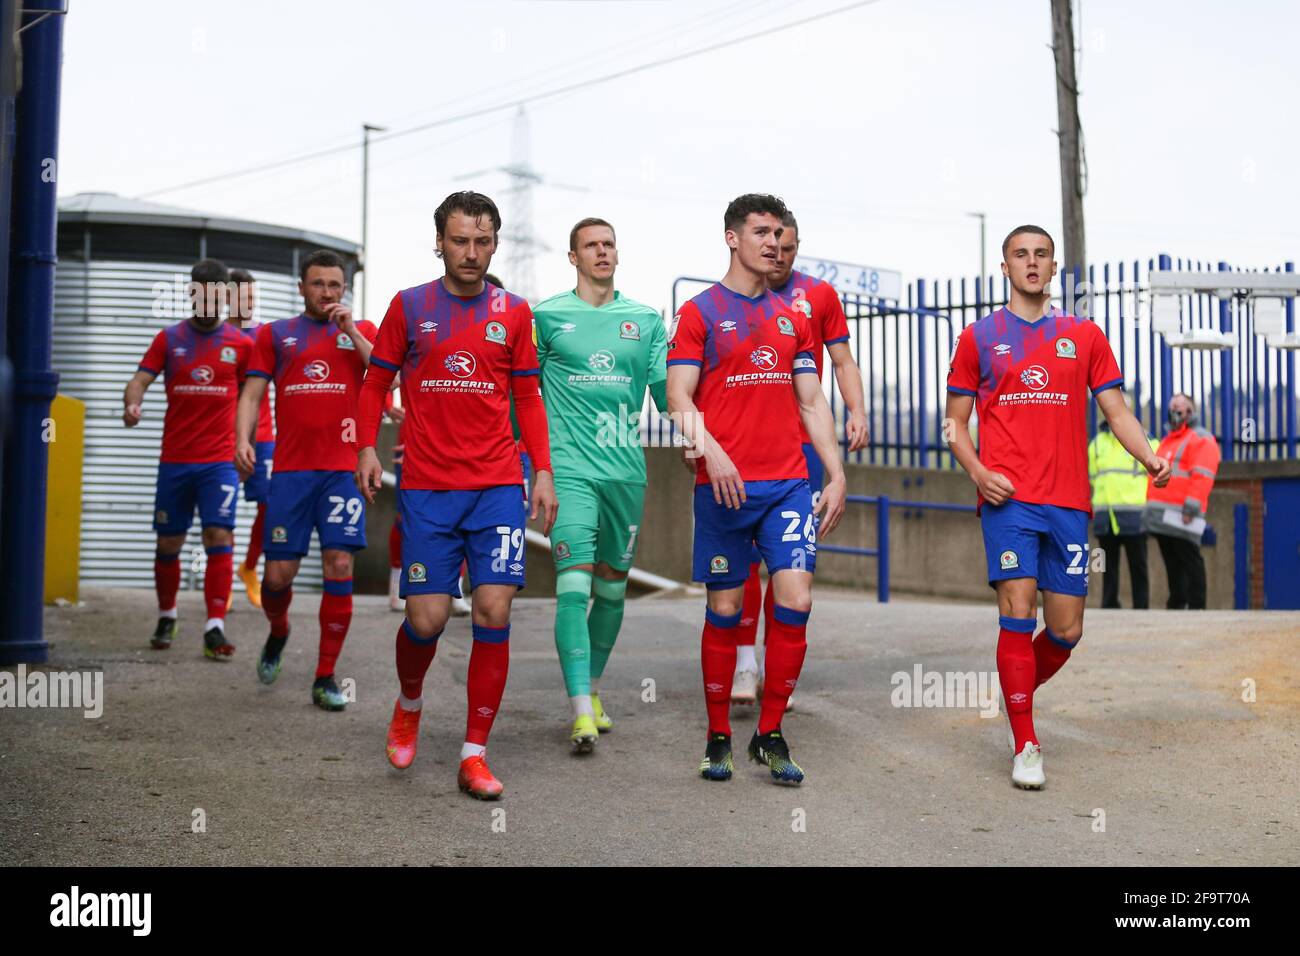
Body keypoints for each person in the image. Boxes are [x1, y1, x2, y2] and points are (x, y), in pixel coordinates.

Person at [945, 224, 1170, 790]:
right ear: (1005, 266)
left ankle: (1014, 687)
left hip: (1069, 504)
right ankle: (1026, 741)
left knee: (1065, 630)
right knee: (1017, 611)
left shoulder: (1083, 335)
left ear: (1053, 267)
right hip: (1009, 501)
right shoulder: (978, 337)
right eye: (1020, 254)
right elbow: (955, 423)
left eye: (1041, 254)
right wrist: (978, 472)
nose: (1031, 262)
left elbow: (1116, 410)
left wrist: (1149, 456)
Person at [356, 191, 557, 800]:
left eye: (482, 241)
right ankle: (410, 701)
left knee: (495, 610)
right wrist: (365, 447)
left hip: (497, 484)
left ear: (495, 243)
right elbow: (375, 383)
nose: (471, 253)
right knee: (428, 618)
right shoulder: (409, 306)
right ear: (439, 242)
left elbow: (528, 398)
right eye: (460, 240)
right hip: (428, 488)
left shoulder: (515, 312)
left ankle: (474, 754)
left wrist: (541, 470)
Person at [667, 193, 847, 785]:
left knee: (796, 599)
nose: (772, 243)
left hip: (787, 486)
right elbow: (677, 397)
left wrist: (836, 470)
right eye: (761, 232)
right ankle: (719, 734)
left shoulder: (793, 317)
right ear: (732, 238)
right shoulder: (698, 313)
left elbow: (811, 399)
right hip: (722, 488)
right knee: (726, 608)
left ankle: (768, 734)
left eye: (779, 234)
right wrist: (712, 452)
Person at [534, 217, 667, 753]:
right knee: (574, 581)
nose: (602, 252)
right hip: (569, 471)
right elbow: (518, 392)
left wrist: (703, 441)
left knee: (612, 587)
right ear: (573, 257)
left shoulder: (644, 319)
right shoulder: (544, 317)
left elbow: (669, 394)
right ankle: (579, 711)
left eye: (609, 243)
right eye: (591, 245)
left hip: (626, 473)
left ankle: (590, 690)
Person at [731, 209, 868, 709]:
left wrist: (855, 409)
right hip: (743, 445)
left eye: (788, 246)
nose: (778, 255)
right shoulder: (733, 298)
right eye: (770, 242)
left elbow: (843, 359)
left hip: (801, 450)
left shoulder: (819, 298)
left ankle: (773, 662)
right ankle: (744, 662)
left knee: (787, 563)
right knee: (742, 557)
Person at [235, 250, 376, 711]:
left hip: (343, 472)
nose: (327, 293)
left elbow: (385, 378)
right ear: (301, 287)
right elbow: (252, 393)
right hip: (291, 474)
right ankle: (279, 631)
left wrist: (350, 330)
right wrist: (243, 440)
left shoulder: (364, 331)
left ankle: (325, 675)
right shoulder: (275, 335)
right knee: (277, 577)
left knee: (339, 565)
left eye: (335, 285)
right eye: (318, 284)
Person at [122, 258, 249, 658]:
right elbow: (139, 379)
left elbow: (254, 396)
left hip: (219, 463)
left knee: (219, 535)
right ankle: (167, 614)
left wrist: (247, 442)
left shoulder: (241, 344)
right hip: (176, 460)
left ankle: (215, 625)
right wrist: (132, 404)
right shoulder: (169, 338)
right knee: (169, 541)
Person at [1145, 393, 1220, 610]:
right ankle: (1177, 603)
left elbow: (1203, 475)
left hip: (1182, 514)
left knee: (1190, 559)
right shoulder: (1168, 439)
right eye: (1171, 407)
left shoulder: (1200, 438)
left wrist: (1192, 507)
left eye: (1179, 406)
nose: (1174, 411)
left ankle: (1197, 606)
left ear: (1190, 411)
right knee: (1172, 563)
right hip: (1161, 516)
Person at [228, 268, 273, 609]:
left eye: (253, 299)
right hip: (220, 438)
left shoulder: (264, 336)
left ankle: (249, 568)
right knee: (221, 512)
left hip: (264, 435)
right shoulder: (214, 336)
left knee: (269, 506)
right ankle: (221, 580)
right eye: (243, 298)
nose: (249, 305)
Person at [1087, 392, 1158, 608]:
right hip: (1105, 517)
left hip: (1135, 515)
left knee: (1138, 566)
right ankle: (1108, 606)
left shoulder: (1147, 442)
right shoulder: (1097, 443)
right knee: (1107, 567)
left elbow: (1157, 479)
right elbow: (1091, 478)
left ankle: (1141, 609)